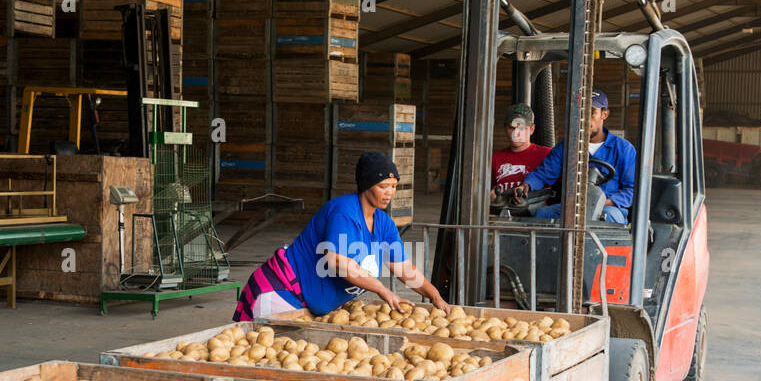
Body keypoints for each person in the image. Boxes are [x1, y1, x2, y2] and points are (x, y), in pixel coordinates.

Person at [233, 151, 450, 321]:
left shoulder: (384, 223)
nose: (390, 193)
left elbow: (404, 268)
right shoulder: (344, 212)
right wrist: (383, 290)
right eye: (383, 186)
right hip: (282, 294)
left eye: (394, 186)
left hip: (308, 307)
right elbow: (339, 263)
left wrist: (434, 295)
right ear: (366, 185)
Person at [515, 89, 636, 223]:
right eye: (581, 112)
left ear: (604, 114)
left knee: (608, 217)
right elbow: (544, 173)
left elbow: (632, 189)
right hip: (572, 208)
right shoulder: (567, 147)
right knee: (542, 214)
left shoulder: (623, 149)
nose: (585, 119)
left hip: (608, 208)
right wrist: (527, 185)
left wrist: (606, 202)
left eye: (591, 112)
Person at [490, 103, 553, 198]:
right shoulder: (494, 159)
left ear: (532, 129)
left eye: (522, 128)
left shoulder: (547, 155)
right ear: (505, 128)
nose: (516, 133)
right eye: (512, 127)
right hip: (502, 211)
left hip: (535, 211)